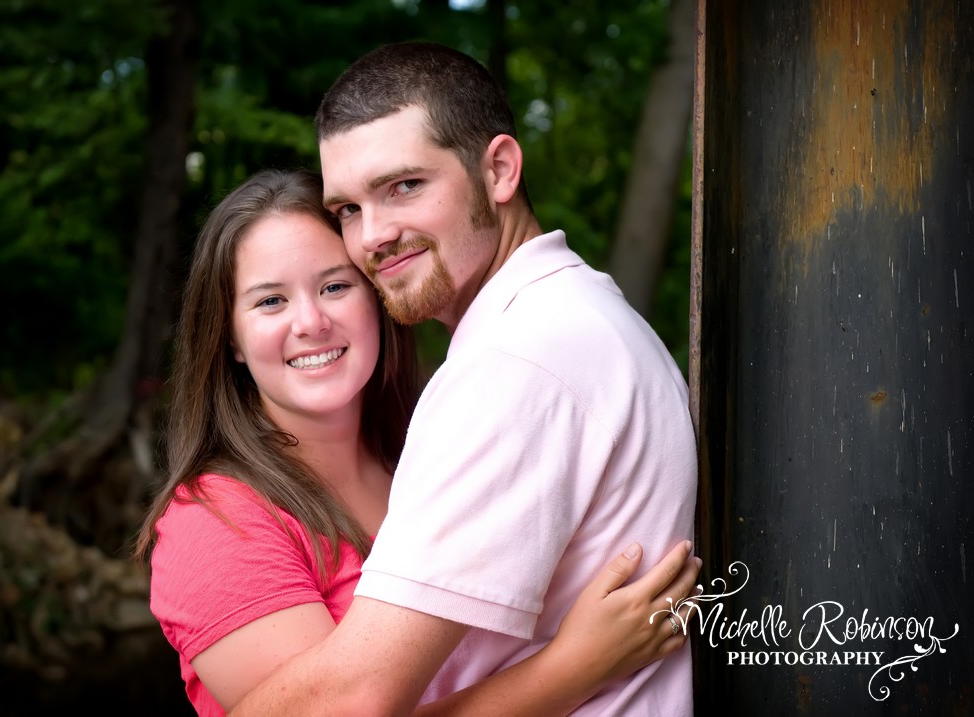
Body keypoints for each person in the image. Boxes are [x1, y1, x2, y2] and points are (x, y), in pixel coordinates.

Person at [229, 42, 699, 716]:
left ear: (500, 169)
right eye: (348, 209)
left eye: (404, 187)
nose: (372, 237)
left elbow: (353, 698)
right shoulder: (575, 314)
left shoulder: (515, 365)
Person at [135, 168, 701, 717]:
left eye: (335, 287)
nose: (310, 322)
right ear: (229, 337)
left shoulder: (433, 454)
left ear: (376, 299)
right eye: (270, 301)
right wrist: (572, 669)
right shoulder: (215, 520)